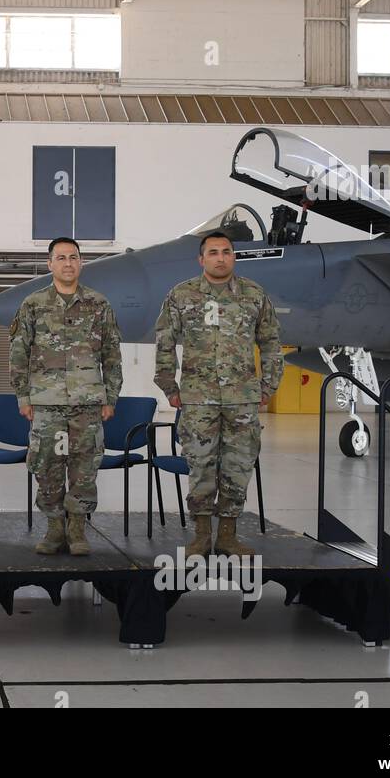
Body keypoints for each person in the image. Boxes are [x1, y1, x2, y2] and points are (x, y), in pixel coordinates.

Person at [153, 230, 283, 558]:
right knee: (200, 465)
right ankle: (200, 535)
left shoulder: (254, 295)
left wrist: (268, 386)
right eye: (213, 252)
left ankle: (227, 535)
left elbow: (270, 342)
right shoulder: (181, 295)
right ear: (202, 259)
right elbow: (165, 341)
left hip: (241, 398)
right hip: (198, 399)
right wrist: (169, 386)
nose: (220, 257)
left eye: (226, 251)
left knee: (238, 465)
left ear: (233, 257)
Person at [9, 237, 123, 556]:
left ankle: (77, 527)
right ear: (50, 264)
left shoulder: (99, 304)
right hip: (46, 404)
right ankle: (55, 526)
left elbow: (112, 355)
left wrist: (110, 398)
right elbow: (18, 355)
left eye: (73, 257)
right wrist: (23, 397)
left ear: (81, 262)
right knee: (46, 465)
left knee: (85, 466)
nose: (68, 263)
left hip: (87, 403)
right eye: (61, 258)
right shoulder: (33, 305)